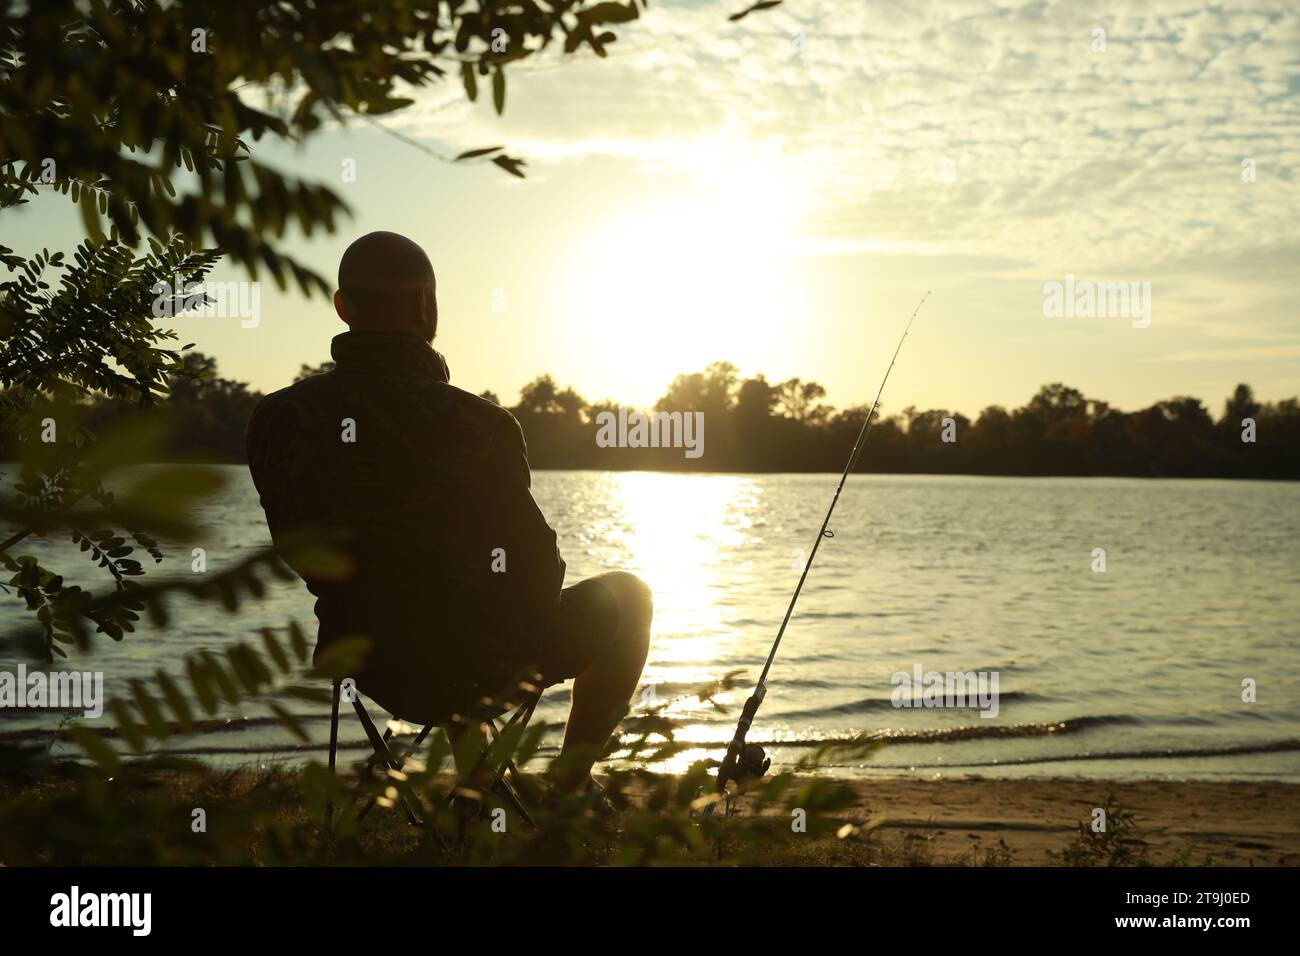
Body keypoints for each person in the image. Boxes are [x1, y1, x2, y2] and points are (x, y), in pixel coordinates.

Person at [246, 230, 651, 791]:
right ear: (426, 305)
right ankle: (569, 790)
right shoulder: (479, 425)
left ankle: (479, 791)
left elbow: (300, 551)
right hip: (479, 668)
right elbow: (531, 574)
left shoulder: (277, 421)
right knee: (628, 597)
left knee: (451, 608)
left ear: (342, 308)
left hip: (368, 662)